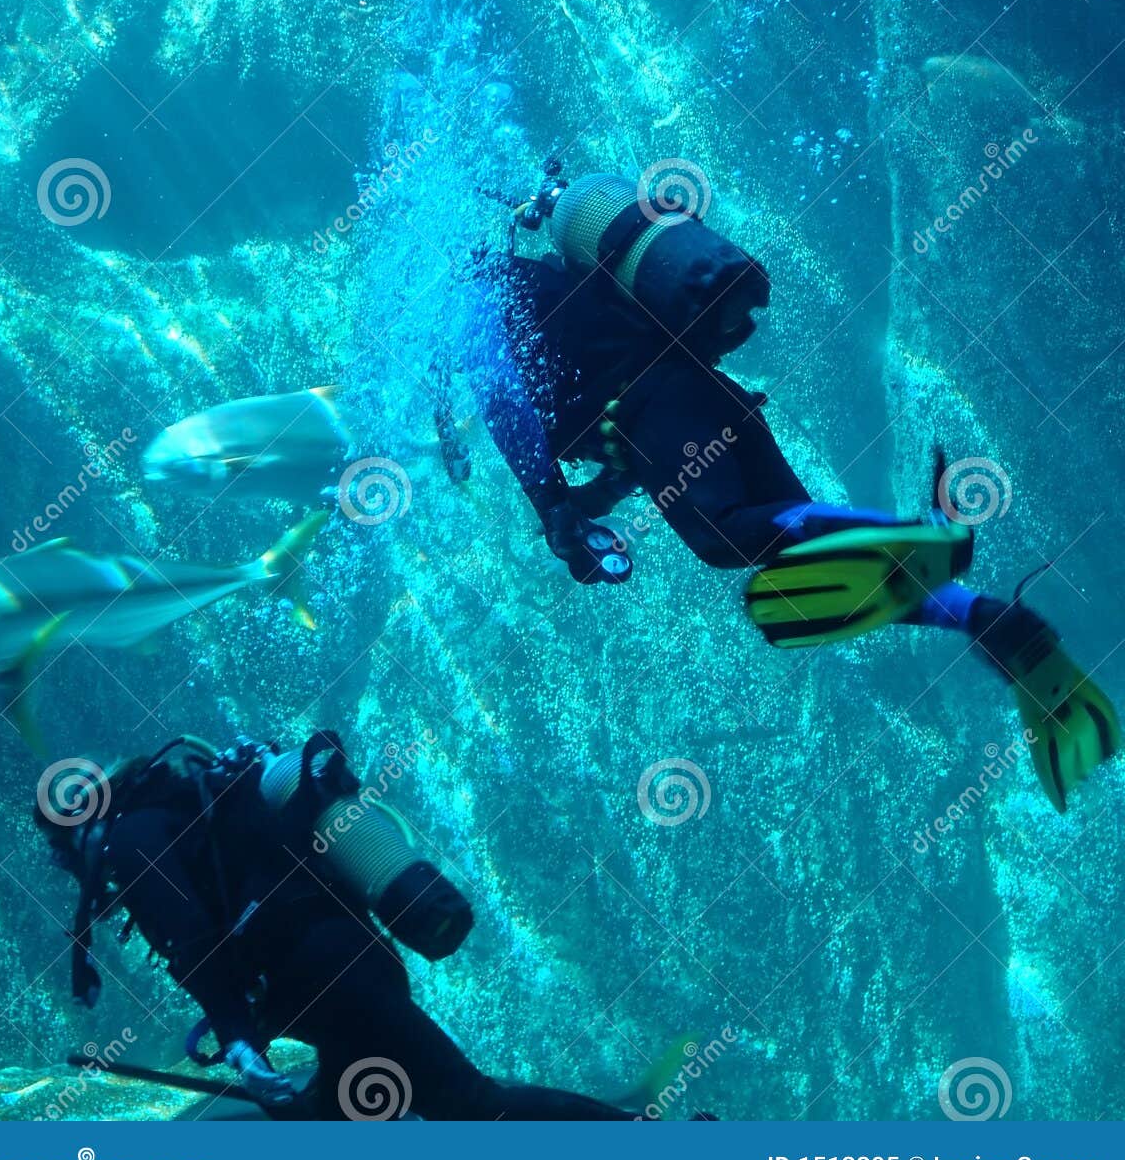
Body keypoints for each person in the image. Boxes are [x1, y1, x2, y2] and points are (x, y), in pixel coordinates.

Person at [467, 165, 1120, 815]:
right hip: (702, 399)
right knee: (799, 563)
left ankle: (914, 536)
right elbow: (621, 415)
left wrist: (552, 505)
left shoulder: (475, 305)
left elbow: (508, 406)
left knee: (726, 538)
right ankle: (982, 617)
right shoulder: (557, 290)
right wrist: (593, 501)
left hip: (664, 410)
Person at [35, 733, 645, 1121]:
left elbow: (193, 941)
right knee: (338, 1116)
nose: (73, 872)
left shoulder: (131, 839)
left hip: (328, 980)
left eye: (62, 853)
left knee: (471, 1104)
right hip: (350, 962)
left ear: (76, 829)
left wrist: (242, 1046)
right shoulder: (188, 807)